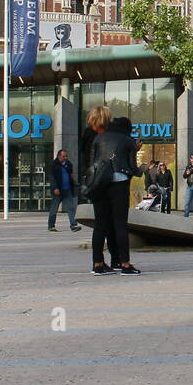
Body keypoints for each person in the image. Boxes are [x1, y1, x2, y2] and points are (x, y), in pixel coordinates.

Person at [87, 106, 140, 274]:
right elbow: (133, 168)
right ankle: (124, 264)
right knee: (120, 225)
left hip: (100, 184)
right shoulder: (127, 140)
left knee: (100, 225)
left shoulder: (98, 138)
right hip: (119, 184)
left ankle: (98, 264)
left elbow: (92, 163)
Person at [45, 149, 80, 232]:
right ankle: (51, 226)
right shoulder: (53, 164)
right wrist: (55, 188)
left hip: (67, 189)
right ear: (59, 156)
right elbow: (51, 178)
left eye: (66, 156)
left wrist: (73, 181)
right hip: (58, 190)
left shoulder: (68, 164)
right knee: (54, 208)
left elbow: (71, 175)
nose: (65, 158)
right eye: (63, 156)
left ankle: (73, 225)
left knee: (71, 208)